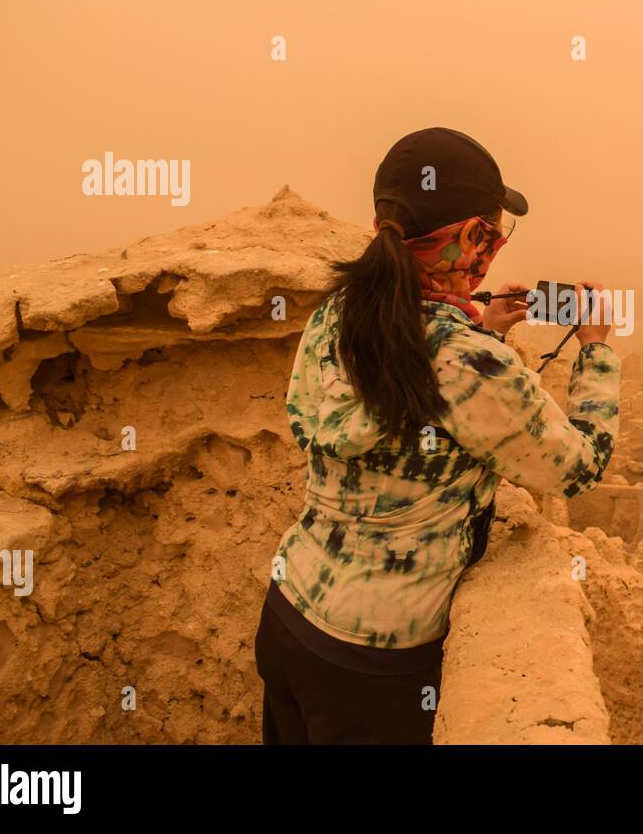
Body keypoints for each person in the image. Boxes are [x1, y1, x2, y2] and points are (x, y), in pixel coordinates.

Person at [255, 127, 620, 744]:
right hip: (378, 666)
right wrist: (596, 351)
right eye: (492, 233)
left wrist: (485, 328)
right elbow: (578, 467)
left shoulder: (336, 312)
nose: (494, 249)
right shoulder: (464, 361)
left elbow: (414, 396)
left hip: (291, 618)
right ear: (472, 240)